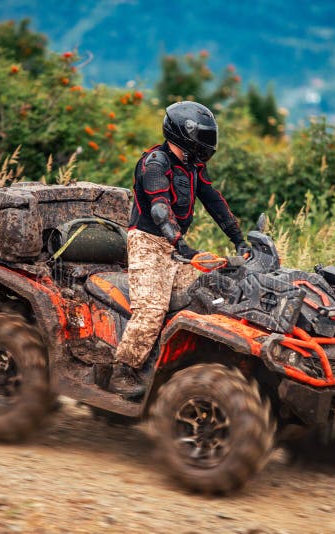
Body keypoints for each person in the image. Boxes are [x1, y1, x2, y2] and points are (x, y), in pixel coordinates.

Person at [108, 101, 248, 397]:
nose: (209, 144)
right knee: (151, 309)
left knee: (208, 294)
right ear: (184, 135)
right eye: (204, 137)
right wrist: (185, 248)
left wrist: (240, 240)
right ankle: (123, 370)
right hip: (147, 243)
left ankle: (173, 360)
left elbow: (214, 202)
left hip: (174, 246)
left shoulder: (193, 165)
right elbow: (160, 211)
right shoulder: (155, 164)